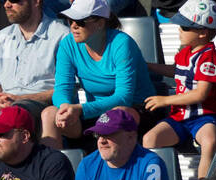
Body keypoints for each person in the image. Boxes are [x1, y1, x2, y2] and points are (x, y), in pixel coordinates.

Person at [42, 0, 152, 143]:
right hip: (95, 113)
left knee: (118, 112)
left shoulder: (122, 43)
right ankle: (55, 165)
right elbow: (62, 88)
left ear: (100, 23)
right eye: (70, 20)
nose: (74, 26)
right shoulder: (67, 44)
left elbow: (124, 97)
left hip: (136, 110)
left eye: (80, 21)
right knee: (50, 113)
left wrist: (80, 109)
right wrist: (64, 107)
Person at [141, 0, 216, 180]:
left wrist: (165, 100)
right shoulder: (185, 52)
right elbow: (176, 70)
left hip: (203, 116)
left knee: (209, 140)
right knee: (150, 139)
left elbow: (201, 94)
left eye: (185, 27)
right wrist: (148, 66)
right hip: (178, 117)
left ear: (203, 33)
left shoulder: (209, 58)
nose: (179, 30)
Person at [0, 0, 67, 126]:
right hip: (2, 106)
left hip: (40, 107)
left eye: (14, 0)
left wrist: (19, 99)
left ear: (36, 2)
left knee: (17, 110)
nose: (6, 5)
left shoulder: (62, 35)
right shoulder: (0, 38)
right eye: (4, 0)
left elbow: (67, 89)